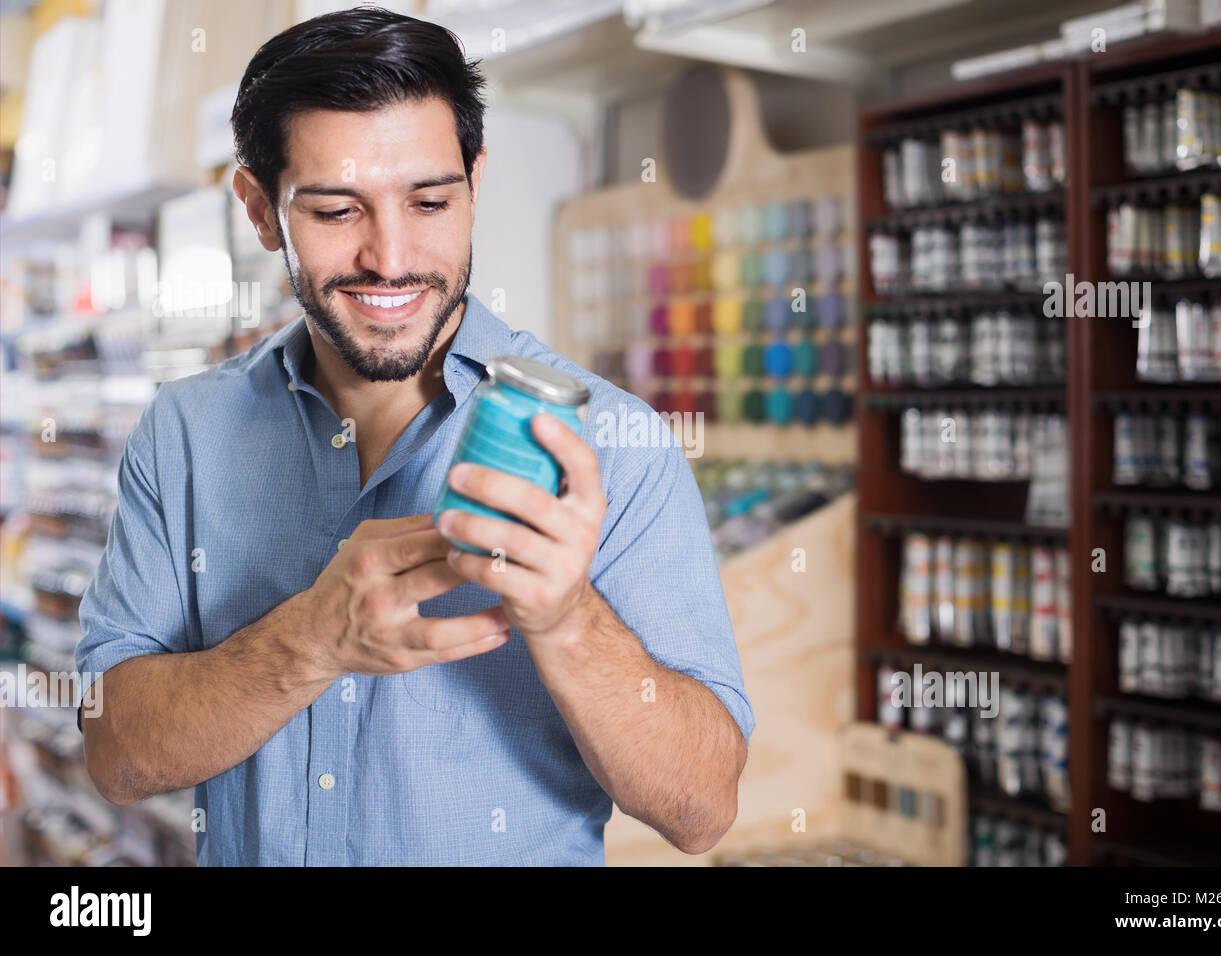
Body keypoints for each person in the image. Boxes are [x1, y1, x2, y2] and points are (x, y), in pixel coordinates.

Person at [74, 5, 753, 866]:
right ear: (258, 210)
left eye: (430, 201)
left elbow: (702, 812)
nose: (390, 257)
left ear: (474, 182)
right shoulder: (183, 436)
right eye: (334, 210)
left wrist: (569, 620)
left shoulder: (618, 445)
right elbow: (116, 755)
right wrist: (309, 640)